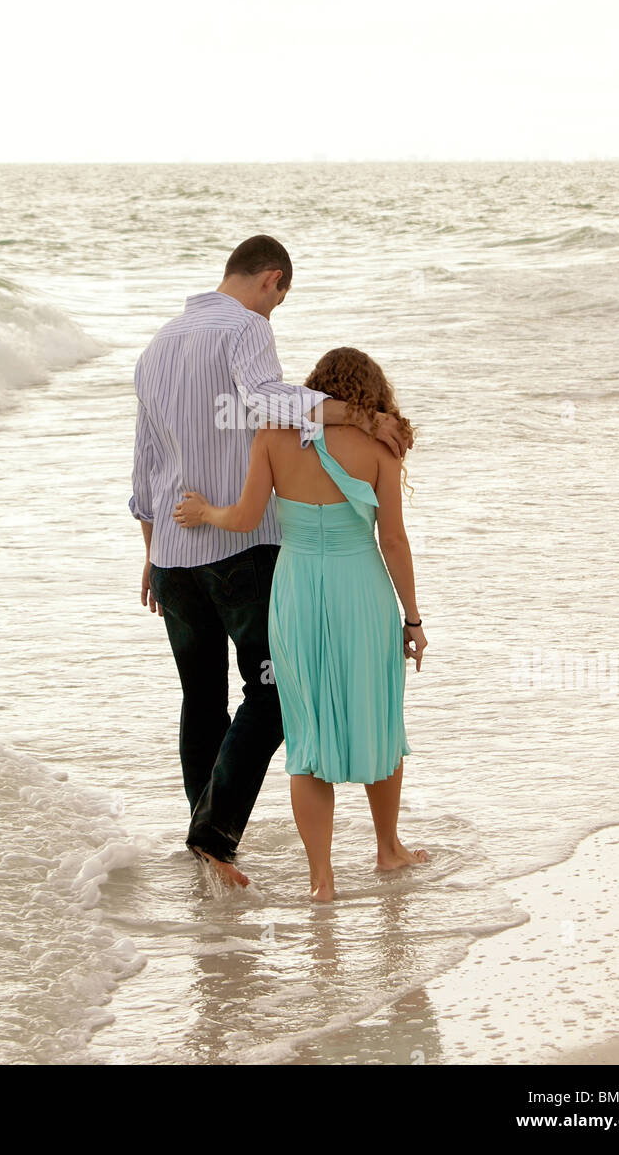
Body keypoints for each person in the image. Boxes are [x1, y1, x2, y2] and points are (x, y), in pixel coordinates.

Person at [129, 236, 411, 887]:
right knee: (275, 692)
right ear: (271, 282)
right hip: (237, 550)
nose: (273, 315)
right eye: (279, 301)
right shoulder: (244, 326)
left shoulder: (157, 347)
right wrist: (359, 415)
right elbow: (264, 398)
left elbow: (145, 463)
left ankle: (208, 841)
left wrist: (150, 554)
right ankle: (214, 833)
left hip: (173, 556)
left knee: (201, 699)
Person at [173, 346, 428, 902]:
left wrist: (202, 513)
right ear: (373, 394)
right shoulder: (381, 445)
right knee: (378, 716)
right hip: (360, 589)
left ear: (313, 389)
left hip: (295, 594)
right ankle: (388, 850)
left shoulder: (272, 436)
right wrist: (412, 618)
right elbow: (394, 540)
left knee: (307, 731)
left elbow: (243, 518)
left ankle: (322, 880)